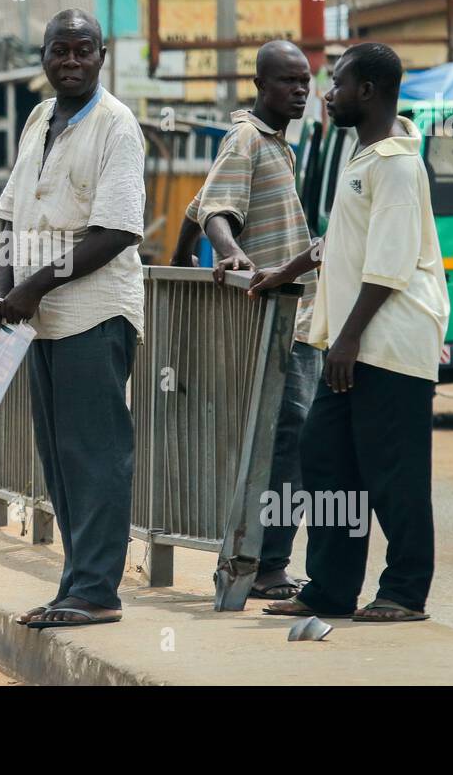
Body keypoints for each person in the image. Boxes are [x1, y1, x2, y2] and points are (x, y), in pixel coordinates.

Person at [251, 42, 449, 623]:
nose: (325, 94)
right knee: (328, 460)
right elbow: (343, 244)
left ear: (367, 92)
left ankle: (405, 592)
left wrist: (347, 339)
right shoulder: (364, 158)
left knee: (395, 472)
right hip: (354, 342)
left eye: (336, 84)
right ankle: (332, 588)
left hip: (387, 343)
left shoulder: (395, 165)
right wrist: (287, 271)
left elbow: (388, 265)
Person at [0, 8, 145, 629]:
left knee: (95, 453)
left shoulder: (117, 126)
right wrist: (4, 293)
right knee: (57, 454)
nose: (70, 62)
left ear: (103, 56)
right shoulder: (39, 119)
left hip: (94, 315)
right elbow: (8, 215)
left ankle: (99, 590)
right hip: (38, 321)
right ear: (42, 56)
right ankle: (77, 583)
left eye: (83, 51)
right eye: (59, 51)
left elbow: (118, 231)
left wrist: (35, 286)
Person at [168, 40, 321, 602]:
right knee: (293, 440)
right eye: (288, 81)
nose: (300, 90)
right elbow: (218, 211)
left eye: (305, 80)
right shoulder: (248, 138)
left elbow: (199, 203)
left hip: (298, 318)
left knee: (284, 440)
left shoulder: (274, 144)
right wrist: (226, 251)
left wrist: (182, 249)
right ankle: (267, 564)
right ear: (261, 85)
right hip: (279, 321)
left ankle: (261, 559)